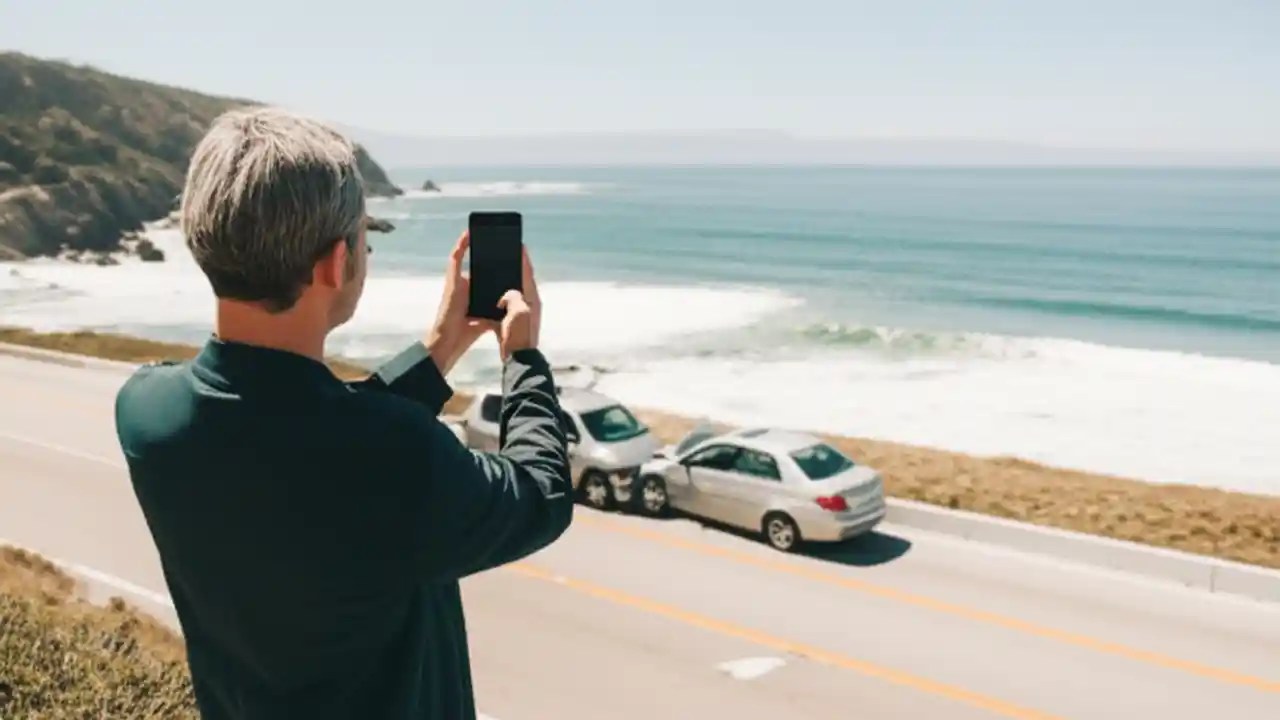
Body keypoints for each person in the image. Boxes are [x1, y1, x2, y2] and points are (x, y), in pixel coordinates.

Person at [113, 107, 574, 719]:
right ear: (335, 262)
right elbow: (540, 494)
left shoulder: (146, 412)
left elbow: (319, 435)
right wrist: (523, 355)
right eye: (365, 235)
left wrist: (440, 348)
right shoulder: (394, 455)